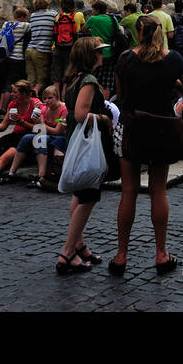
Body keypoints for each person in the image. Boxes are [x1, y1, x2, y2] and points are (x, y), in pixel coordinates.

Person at [110, 15, 183, 277]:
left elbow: (121, 96)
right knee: (158, 191)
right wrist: (175, 84)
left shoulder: (125, 59)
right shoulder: (172, 59)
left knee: (129, 191)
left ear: (138, 32)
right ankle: (161, 253)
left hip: (133, 126)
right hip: (161, 128)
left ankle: (121, 255)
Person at [56, 38, 117, 274]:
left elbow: (71, 113)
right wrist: (104, 119)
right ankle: (68, 252)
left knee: (81, 193)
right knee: (89, 196)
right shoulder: (89, 80)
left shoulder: (72, 78)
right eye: (99, 52)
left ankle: (79, 245)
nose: (103, 55)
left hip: (76, 139)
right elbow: (82, 114)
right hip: (89, 142)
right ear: (91, 56)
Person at [0, 86, 68, 189]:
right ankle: (11, 173)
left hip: (61, 138)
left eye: (50, 98)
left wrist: (42, 123)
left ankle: (41, 176)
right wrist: (37, 120)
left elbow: (57, 131)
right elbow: (39, 129)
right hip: (48, 135)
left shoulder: (63, 109)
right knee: (27, 137)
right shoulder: (44, 109)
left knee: (40, 139)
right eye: (45, 98)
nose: (47, 101)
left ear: (57, 97)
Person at [84, 0, 120, 94]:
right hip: (110, 53)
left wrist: (93, 30)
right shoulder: (113, 18)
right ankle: (105, 105)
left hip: (96, 52)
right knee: (107, 83)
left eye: (93, 9)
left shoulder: (93, 19)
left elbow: (83, 30)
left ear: (97, 10)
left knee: (93, 79)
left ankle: (93, 101)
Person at [0, 6, 31, 94]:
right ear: (22, 17)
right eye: (27, 17)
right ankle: (4, 106)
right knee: (12, 84)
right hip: (18, 58)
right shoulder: (25, 25)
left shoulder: (6, 24)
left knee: (6, 82)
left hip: (6, 56)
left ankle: (1, 106)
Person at [25, 0, 57, 90]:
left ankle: (26, 100)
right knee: (41, 81)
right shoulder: (53, 14)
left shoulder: (33, 16)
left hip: (29, 50)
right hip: (41, 51)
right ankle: (35, 101)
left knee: (31, 79)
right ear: (47, 3)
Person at [51, 0, 85, 83]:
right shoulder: (79, 15)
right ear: (73, 5)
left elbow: (55, 32)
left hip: (58, 48)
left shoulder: (58, 17)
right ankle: (66, 95)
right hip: (72, 48)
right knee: (69, 76)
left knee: (56, 78)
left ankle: (55, 94)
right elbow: (84, 29)